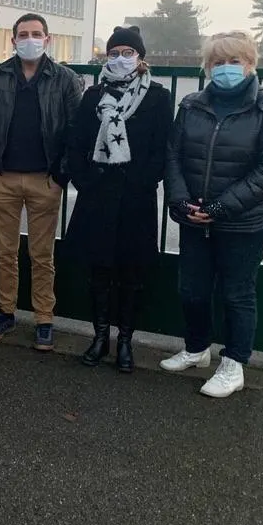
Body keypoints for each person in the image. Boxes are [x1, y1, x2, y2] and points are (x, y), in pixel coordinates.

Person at [162, 30, 263, 398]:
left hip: (245, 222)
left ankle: (234, 363)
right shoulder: (192, 105)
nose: (225, 68)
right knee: (192, 290)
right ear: (207, 68)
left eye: (234, 61)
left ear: (250, 64)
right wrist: (180, 200)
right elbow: (173, 155)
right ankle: (196, 348)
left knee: (237, 293)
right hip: (194, 217)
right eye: (217, 62)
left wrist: (222, 207)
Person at [0, 13, 82, 350]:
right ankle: (6, 312)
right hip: (2, 179)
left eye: (36, 34)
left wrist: (61, 176)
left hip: (45, 180)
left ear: (47, 39)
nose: (29, 39)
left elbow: (76, 131)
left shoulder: (64, 79)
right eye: (23, 34)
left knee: (42, 255)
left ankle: (44, 317)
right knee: (4, 253)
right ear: (13, 40)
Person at [65, 26, 173, 372]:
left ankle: (125, 340)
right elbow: (76, 142)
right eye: (114, 53)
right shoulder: (94, 95)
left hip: (136, 197)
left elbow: (163, 148)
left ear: (140, 58)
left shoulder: (157, 96)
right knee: (98, 271)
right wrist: (85, 180)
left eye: (128, 52)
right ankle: (100, 336)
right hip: (98, 195)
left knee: (131, 273)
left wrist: (143, 180)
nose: (121, 58)